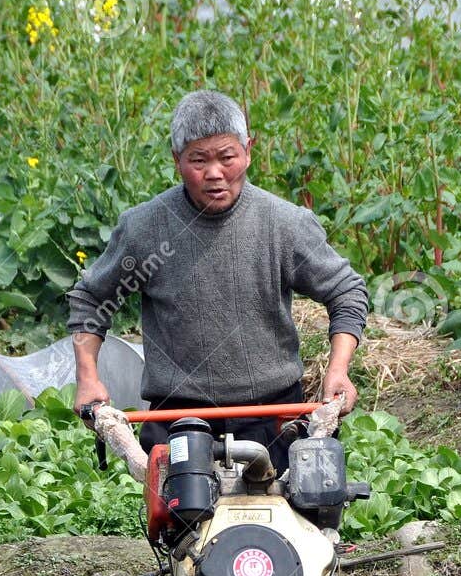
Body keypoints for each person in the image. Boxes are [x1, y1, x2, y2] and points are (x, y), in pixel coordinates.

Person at [67, 89, 368, 473]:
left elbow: (346, 291)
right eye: (198, 160)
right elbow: (91, 299)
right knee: (184, 527)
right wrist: (88, 377)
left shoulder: (284, 224)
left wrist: (338, 369)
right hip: (179, 421)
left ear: (248, 151)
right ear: (176, 160)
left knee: (289, 522)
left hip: (274, 417)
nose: (214, 173)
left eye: (227, 157)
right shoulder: (144, 228)